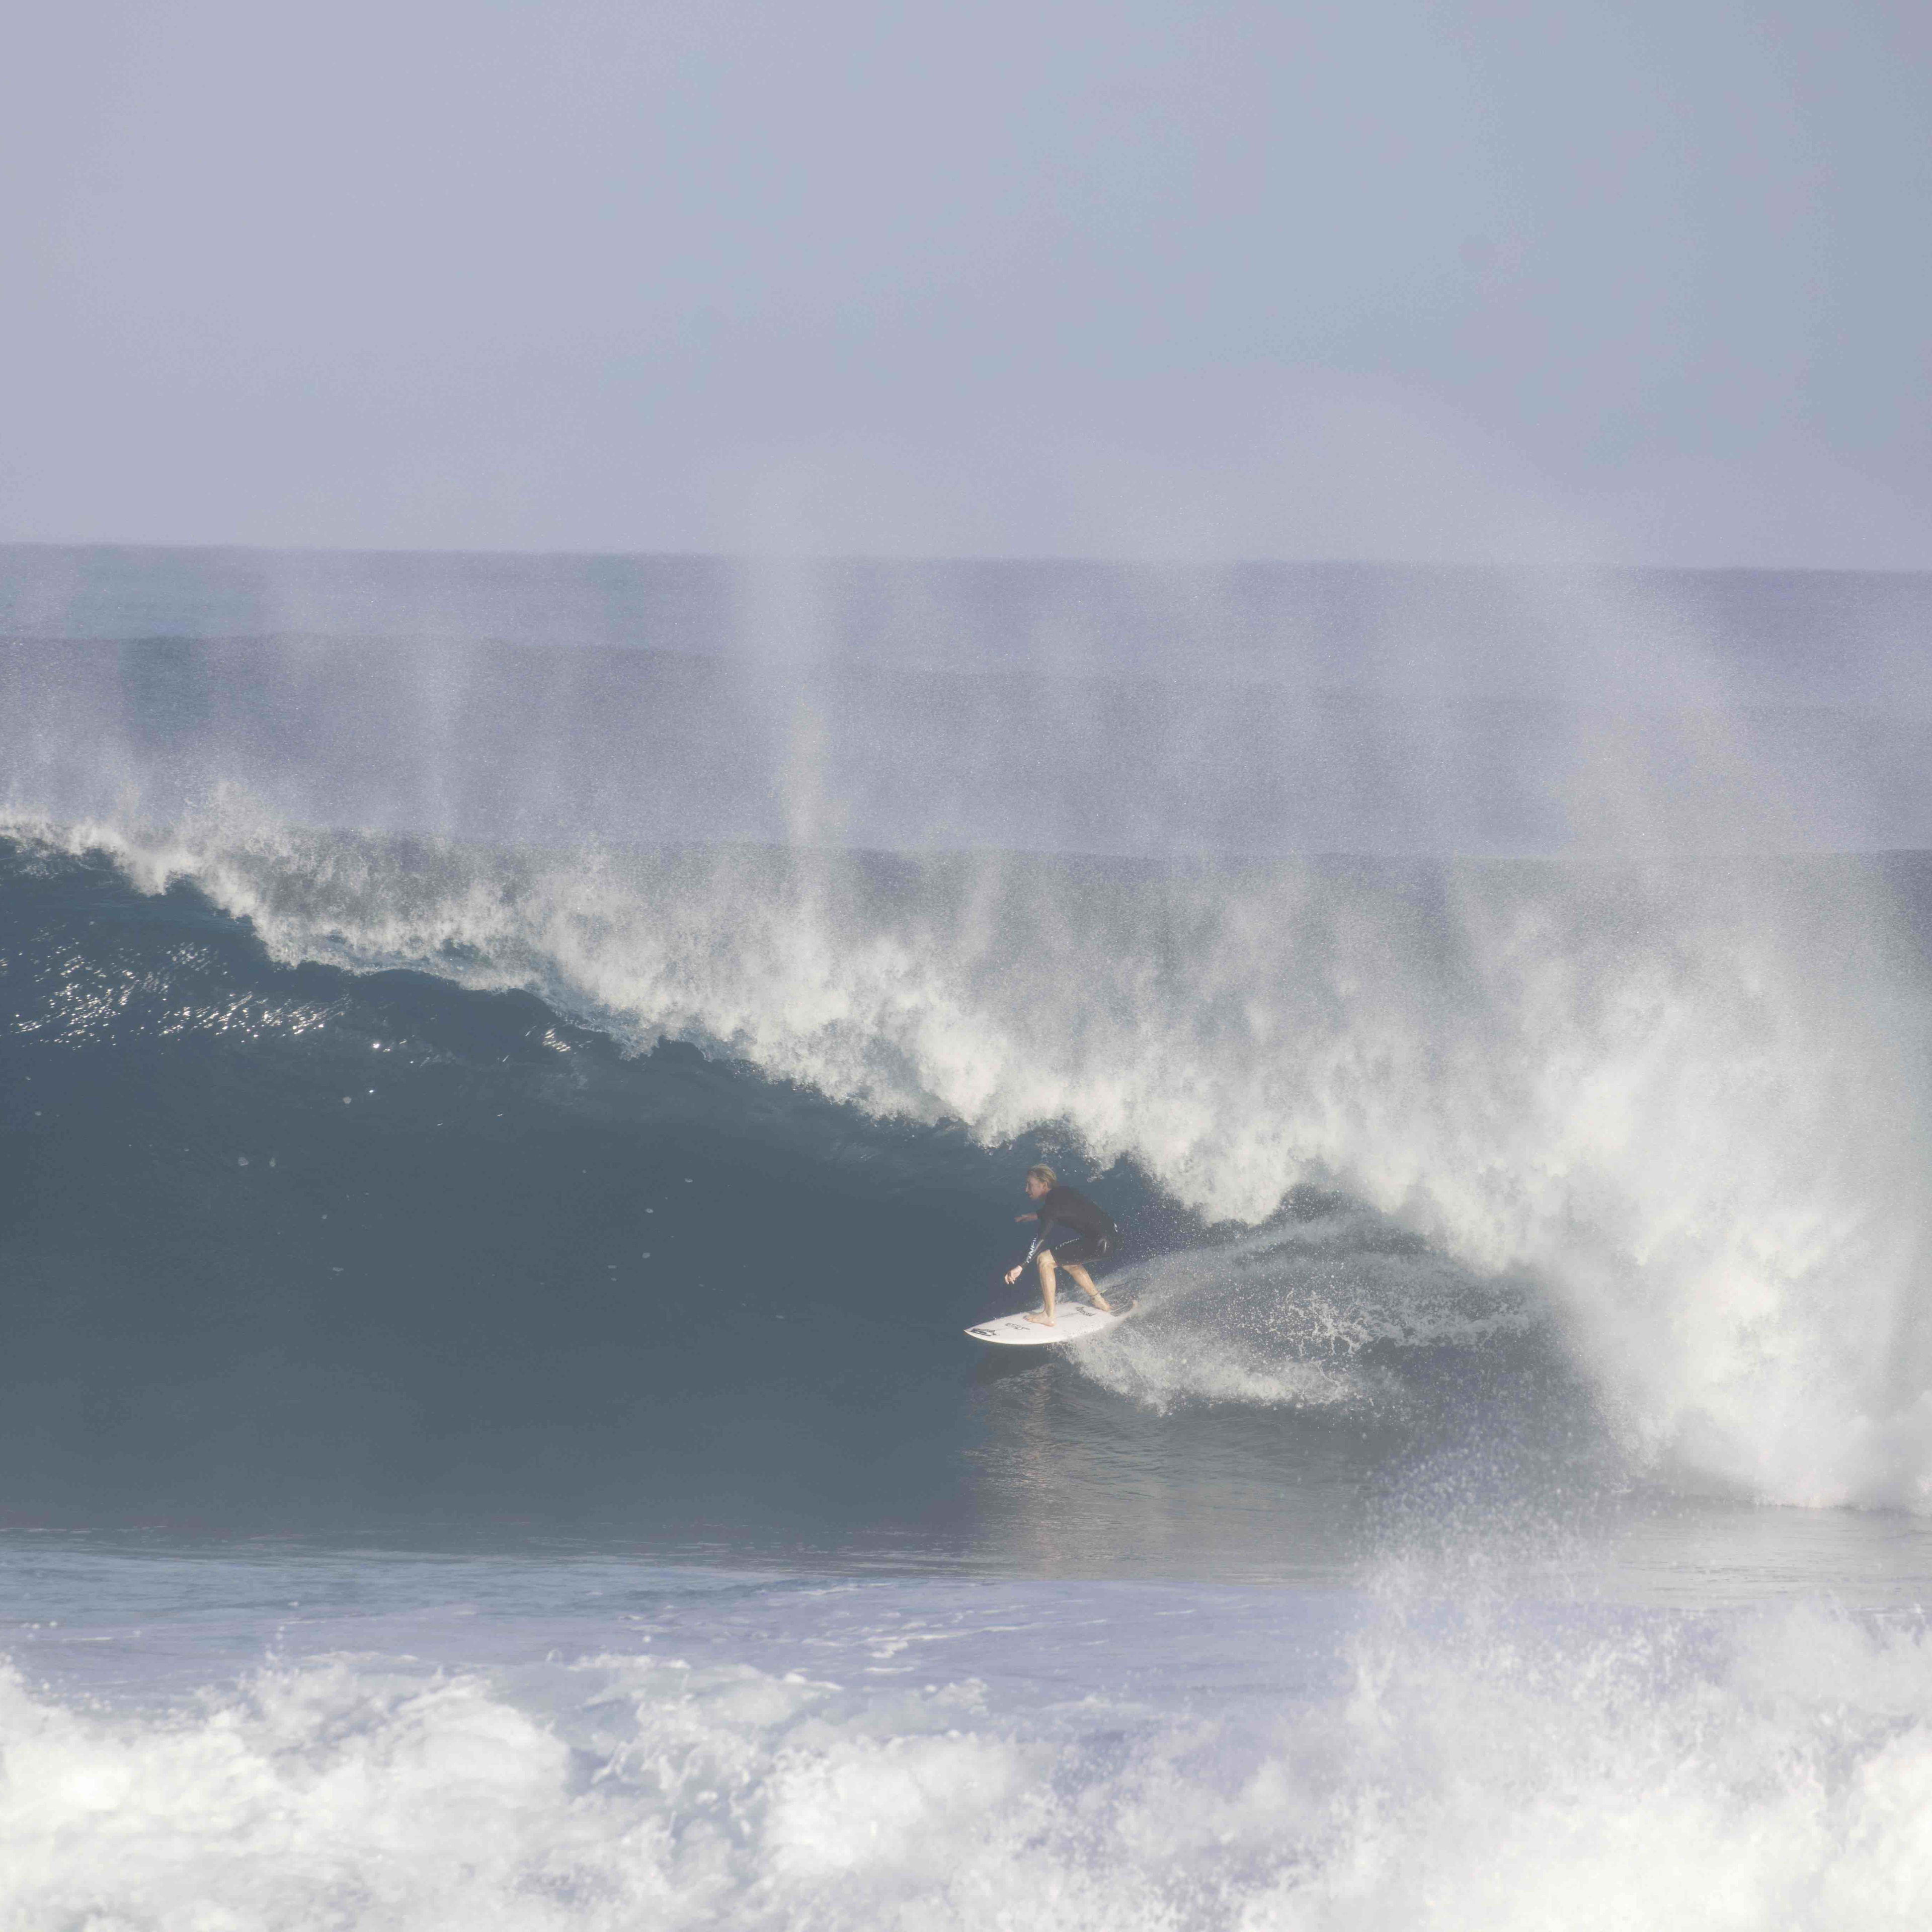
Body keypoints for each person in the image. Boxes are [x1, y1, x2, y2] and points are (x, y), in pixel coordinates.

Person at [1004, 1164, 1116, 1326]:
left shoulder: (1053, 1204)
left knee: (1044, 1260)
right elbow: (1064, 1210)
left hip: (1099, 1241)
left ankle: (1049, 1315)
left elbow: (1041, 1237)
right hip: (1113, 1239)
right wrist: (1036, 1215)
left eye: (1030, 1185)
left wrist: (1022, 1265)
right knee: (1069, 1262)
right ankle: (1099, 1301)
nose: (1026, 1189)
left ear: (1044, 1184)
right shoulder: (1065, 1192)